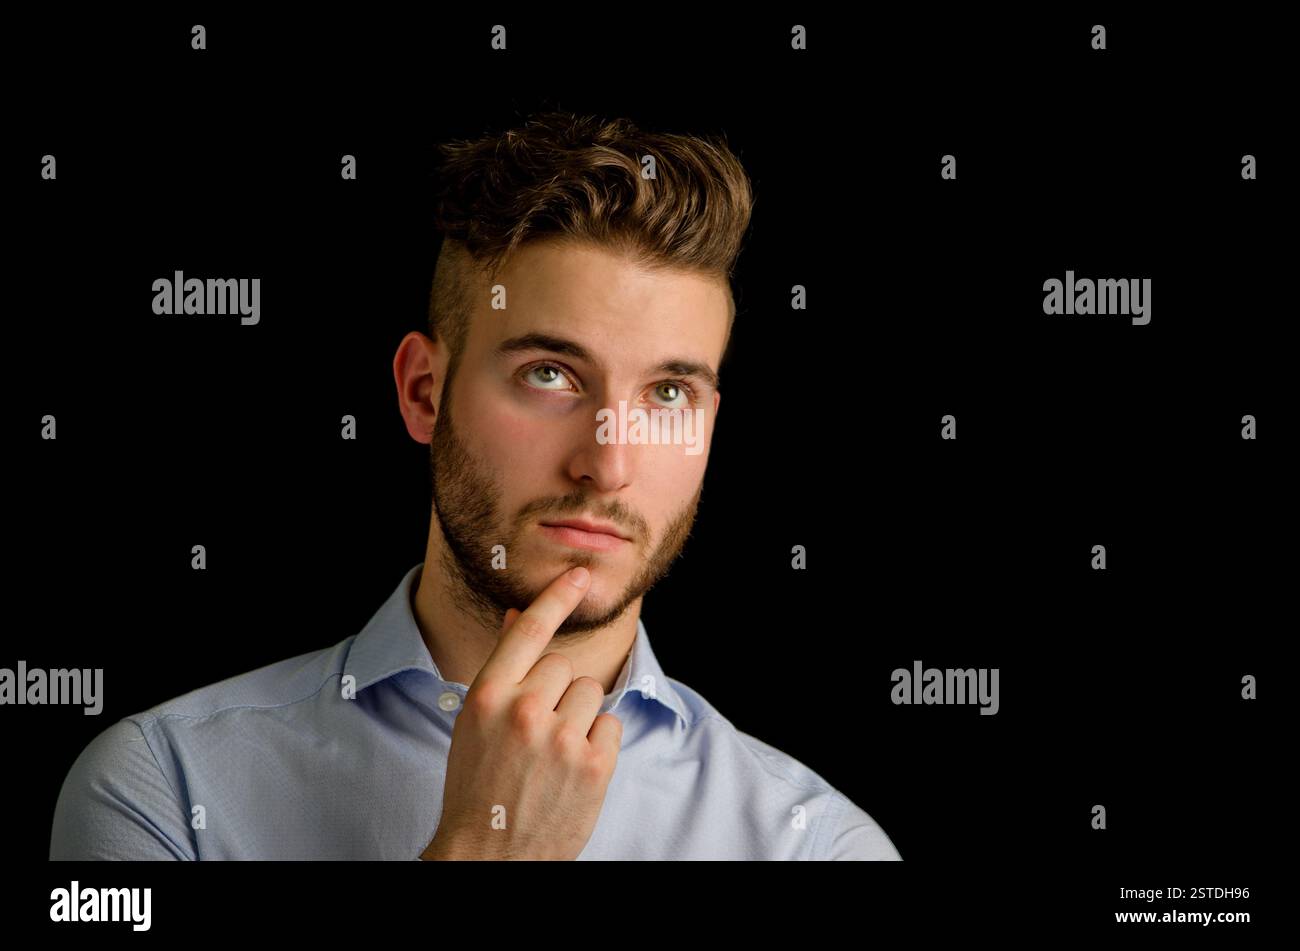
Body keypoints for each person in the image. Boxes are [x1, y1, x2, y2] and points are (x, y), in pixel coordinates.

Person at [50, 112, 901, 860]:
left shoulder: (818, 844)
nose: (608, 464)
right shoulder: (158, 786)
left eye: (667, 394)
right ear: (423, 391)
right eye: (550, 374)